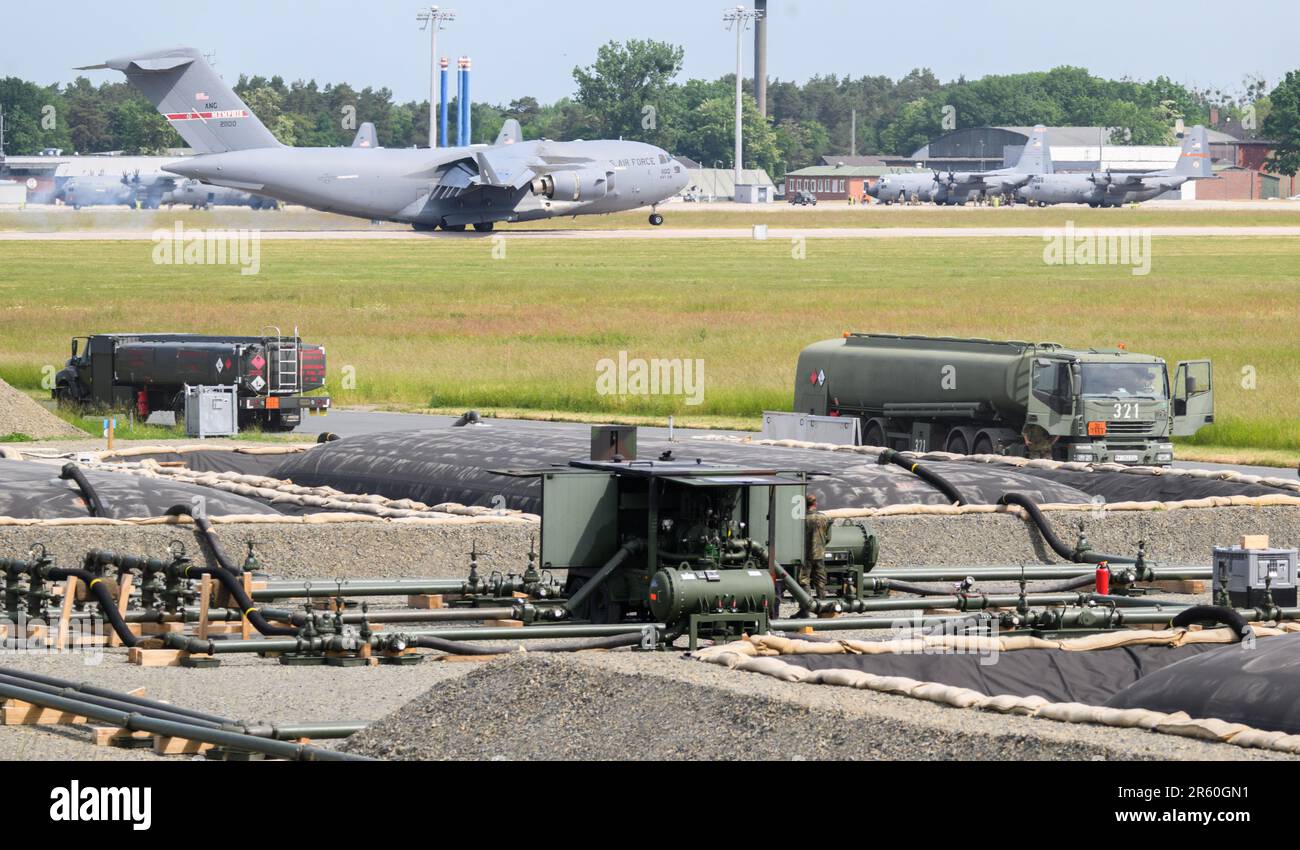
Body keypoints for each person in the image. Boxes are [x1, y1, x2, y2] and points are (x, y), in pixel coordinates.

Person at [798, 494, 831, 617]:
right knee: (821, 581)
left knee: (804, 580)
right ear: (815, 504)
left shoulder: (802, 519)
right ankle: (823, 610)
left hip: (806, 555)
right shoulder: (824, 518)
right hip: (820, 554)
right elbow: (828, 536)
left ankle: (806, 609)